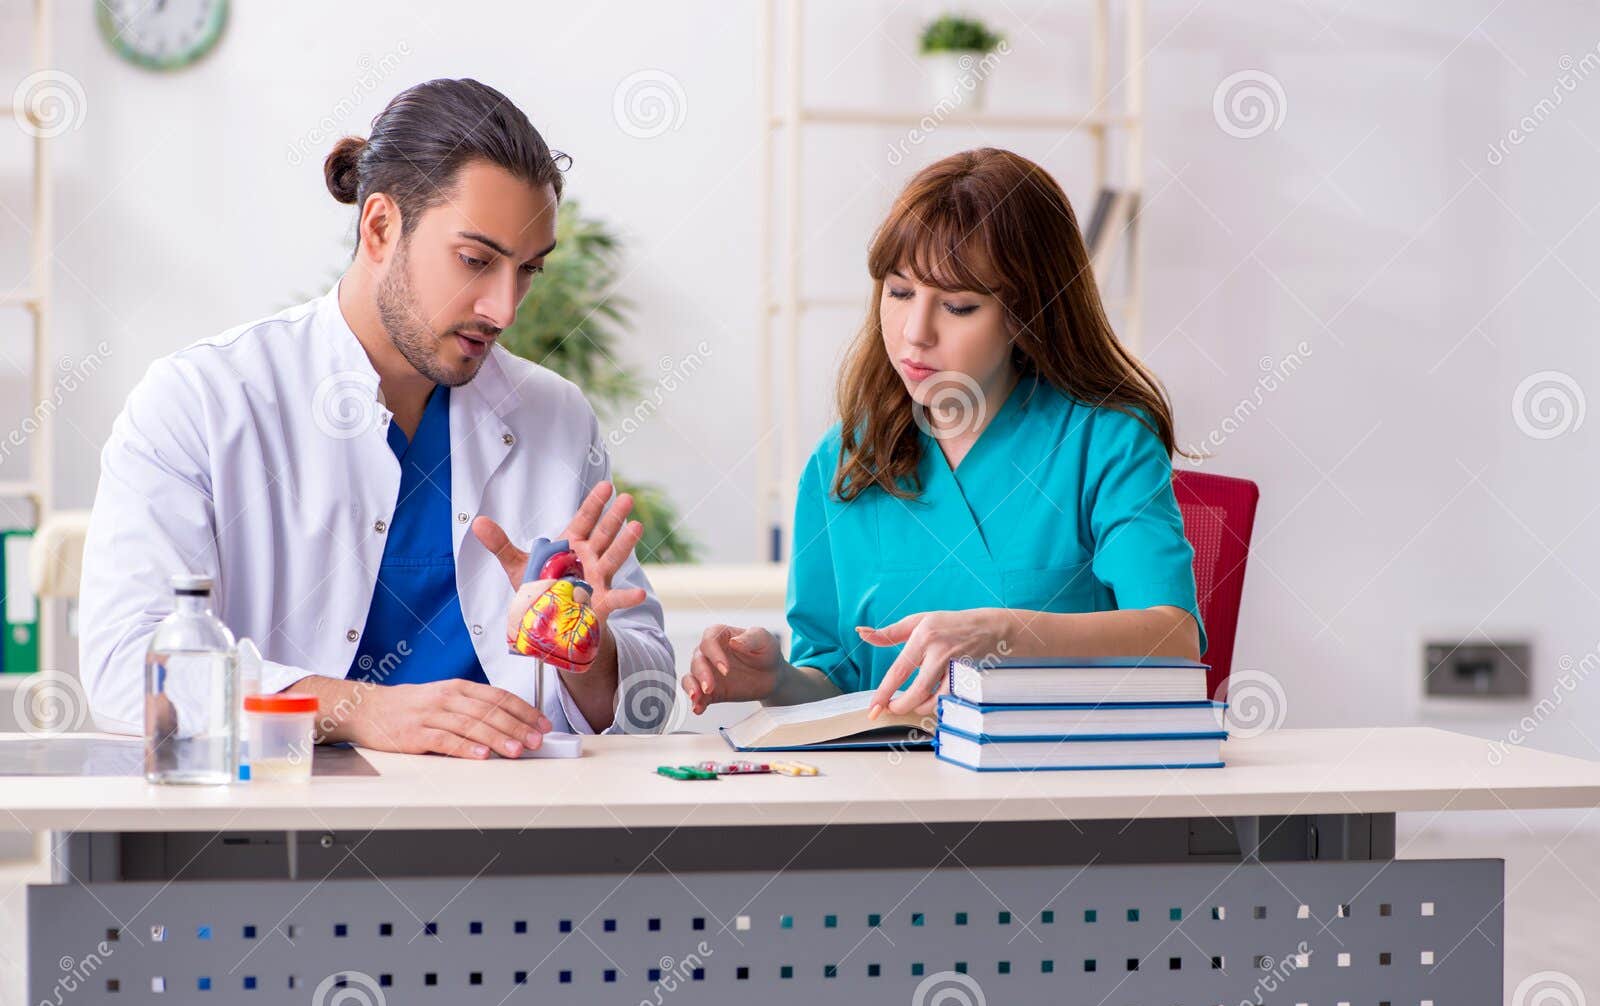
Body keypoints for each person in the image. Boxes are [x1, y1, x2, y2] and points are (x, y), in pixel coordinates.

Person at [79, 78, 673, 757]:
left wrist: (585, 652)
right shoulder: (202, 400)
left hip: (514, 822)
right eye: (475, 261)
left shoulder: (555, 416)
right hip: (281, 826)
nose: (505, 310)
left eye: (528, 270)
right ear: (381, 227)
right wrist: (358, 711)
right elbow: (127, 667)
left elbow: (647, 697)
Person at [685, 147, 1205, 721]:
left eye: (958, 306)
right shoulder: (844, 461)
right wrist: (777, 680)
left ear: (1026, 313)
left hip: (1058, 782)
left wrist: (1005, 631)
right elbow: (838, 679)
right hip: (893, 796)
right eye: (899, 292)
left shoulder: (1105, 442)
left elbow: (1174, 636)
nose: (915, 332)